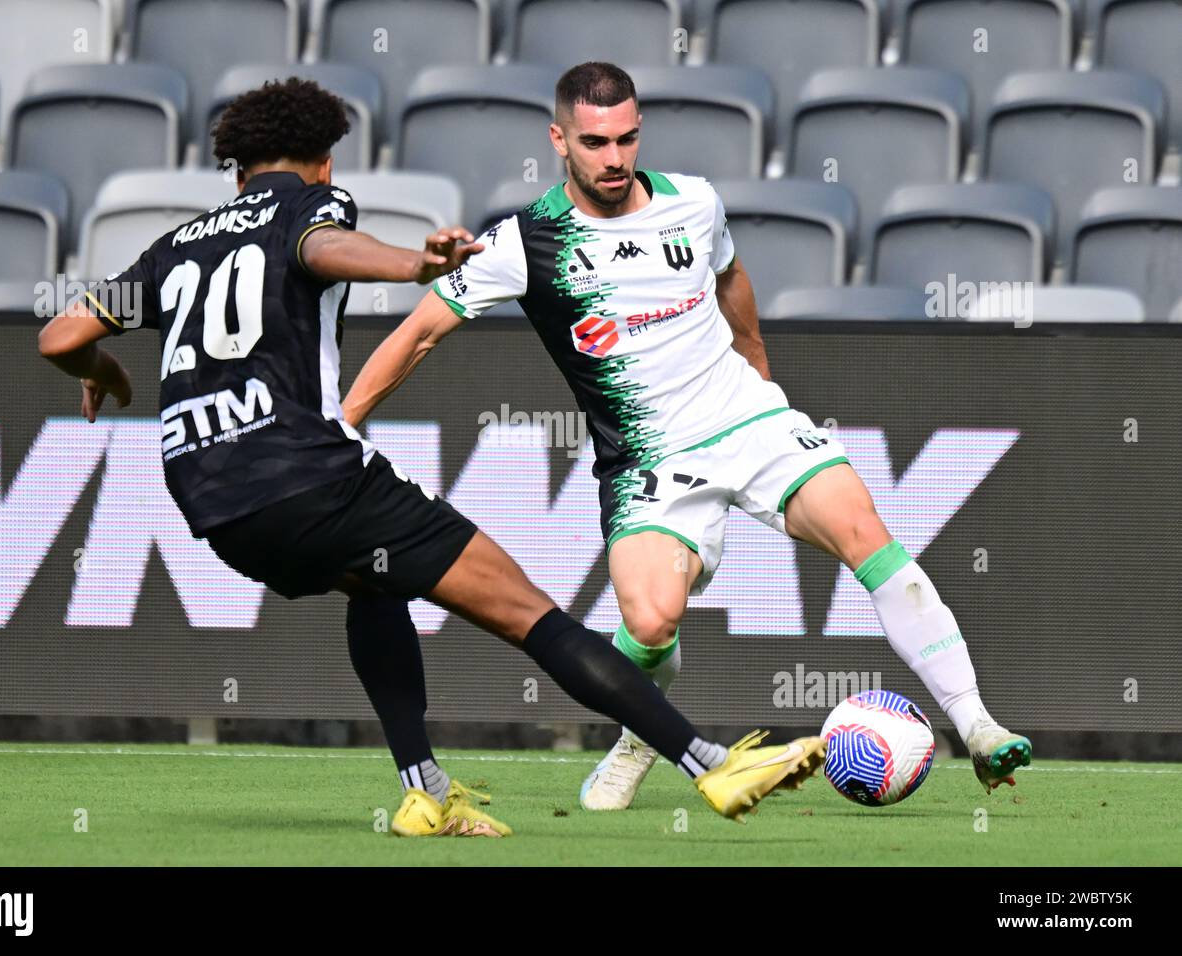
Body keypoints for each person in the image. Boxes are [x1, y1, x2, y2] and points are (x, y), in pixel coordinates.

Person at [37, 77, 824, 837]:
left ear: (235, 171)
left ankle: (424, 792)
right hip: (310, 474)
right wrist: (413, 266)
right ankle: (710, 763)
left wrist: (105, 373)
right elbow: (325, 248)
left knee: (373, 580)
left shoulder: (175, 249)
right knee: (532, 617)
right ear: (323, 162)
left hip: (212, 499)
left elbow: (60, 336)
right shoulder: (310, 203)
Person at [341, 62, 1031, 812]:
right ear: (559, 139)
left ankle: (978, 725)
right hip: (651, 459)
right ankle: (643, 735)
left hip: (750, 420)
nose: (614, 158)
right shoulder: (525, 242)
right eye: (596, 142)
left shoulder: (694, 202)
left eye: (627, 138)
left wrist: (761, 377)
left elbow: (732, 278)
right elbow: (418, 336)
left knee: (866, 532)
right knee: (649, 618)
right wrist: (343, 426)